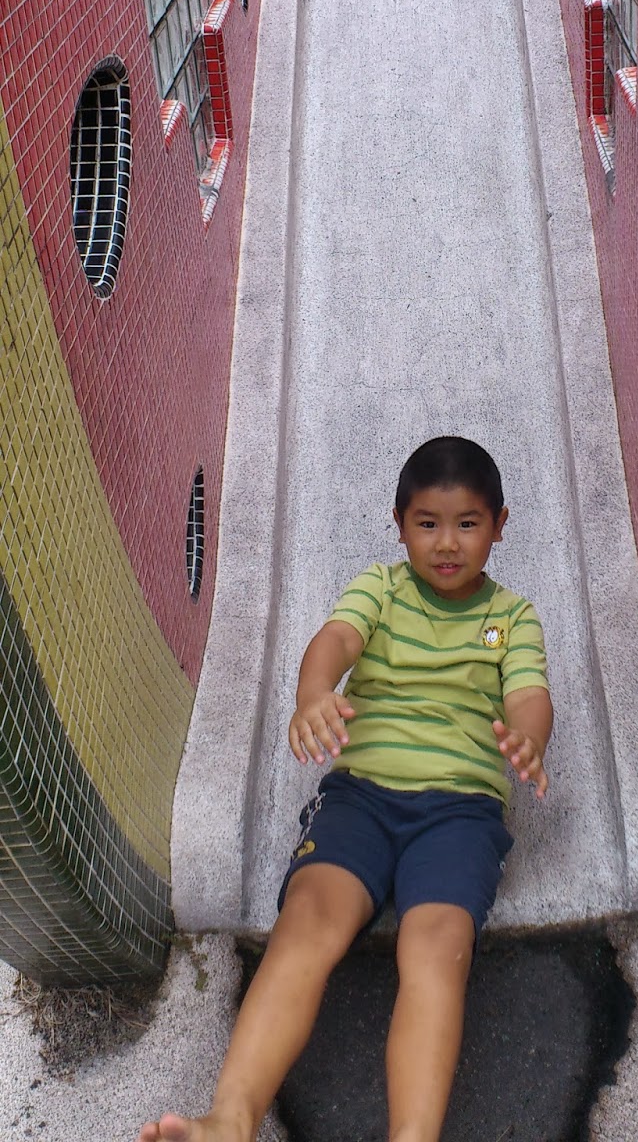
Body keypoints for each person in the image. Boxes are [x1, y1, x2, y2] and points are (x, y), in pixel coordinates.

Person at [139, 435, 553, 1142]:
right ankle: (231, 1118)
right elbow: (337, 639)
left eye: (467, 523)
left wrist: (528, 738)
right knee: (307, 923)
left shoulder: (511, 617)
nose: (446, 543)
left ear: (500, 525)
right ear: (399, 525)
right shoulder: (381, 589)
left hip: (460, 812)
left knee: (436, 950)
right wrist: (313, 694)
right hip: (360, 797)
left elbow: (528, 695)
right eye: (427, 523)